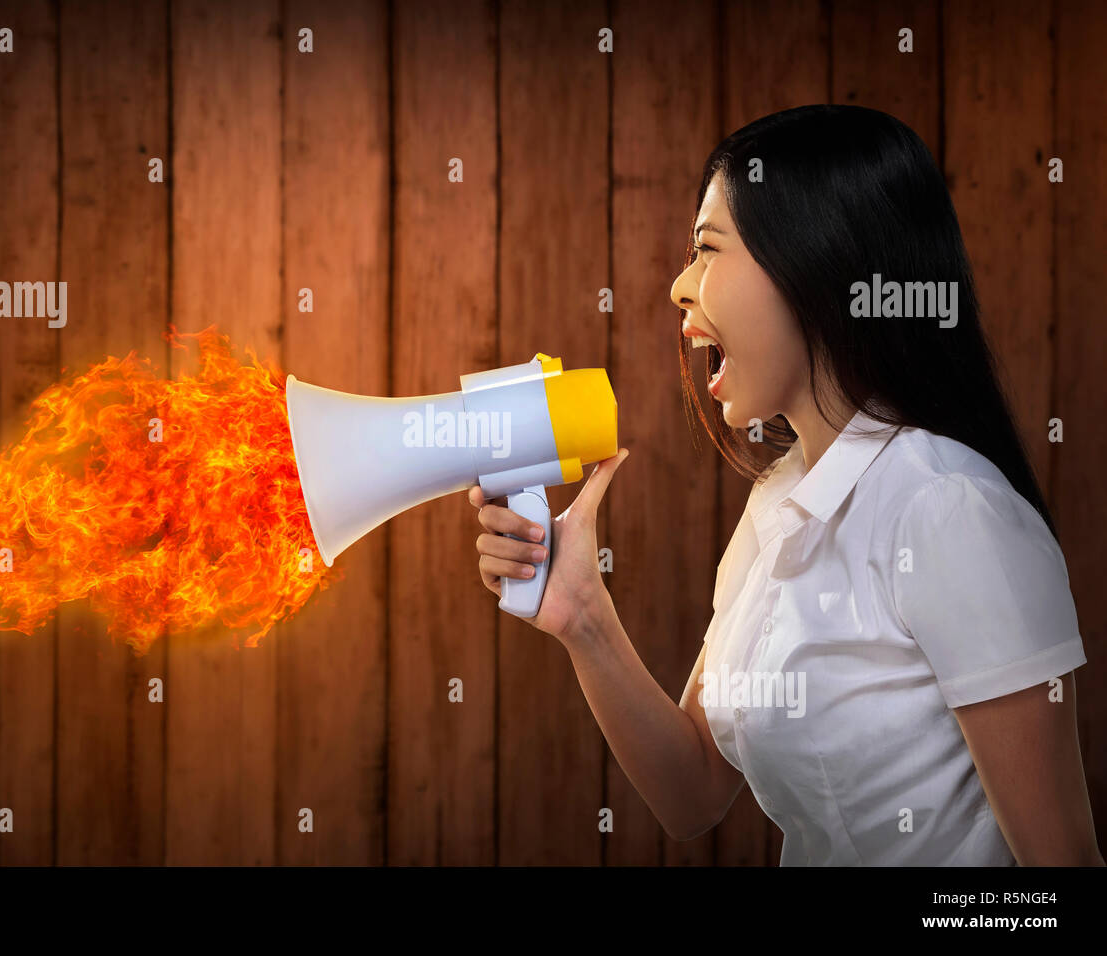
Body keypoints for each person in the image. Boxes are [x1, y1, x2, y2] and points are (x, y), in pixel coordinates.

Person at [470, 104, 1101, 866]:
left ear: (815, 262)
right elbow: (694, 789)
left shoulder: (948, 512)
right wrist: (582, 617)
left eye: (707, 249)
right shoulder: (781, 499)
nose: (679, 285)